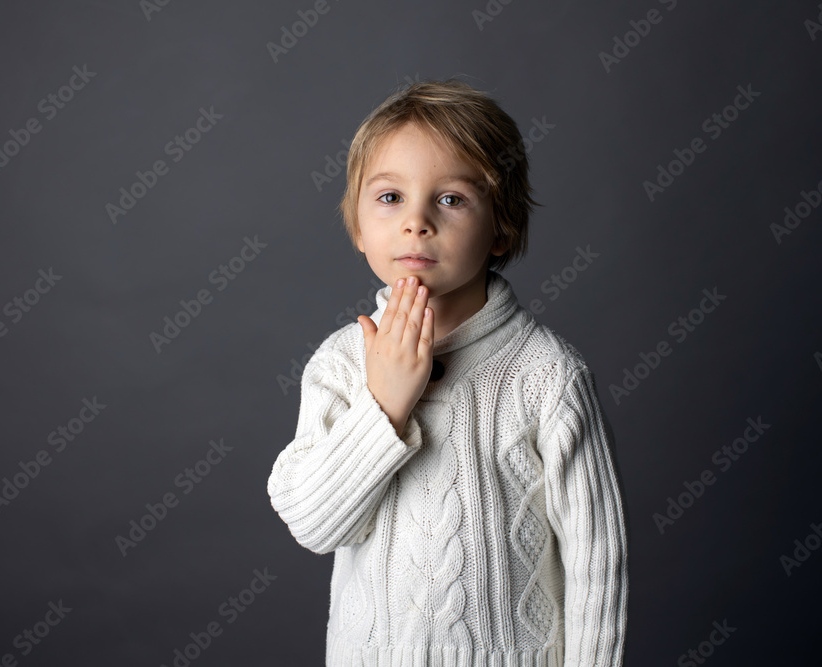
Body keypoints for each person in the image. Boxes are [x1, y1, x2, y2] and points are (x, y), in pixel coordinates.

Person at [268, 78, 628, 666]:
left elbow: (597, 560)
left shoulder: (549, 375)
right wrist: (383, 405)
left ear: (502, 227)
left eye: (451, 199)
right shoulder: (341, 363)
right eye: (389, 198)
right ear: (358, 226)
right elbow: (314, 524)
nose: (417, 222)